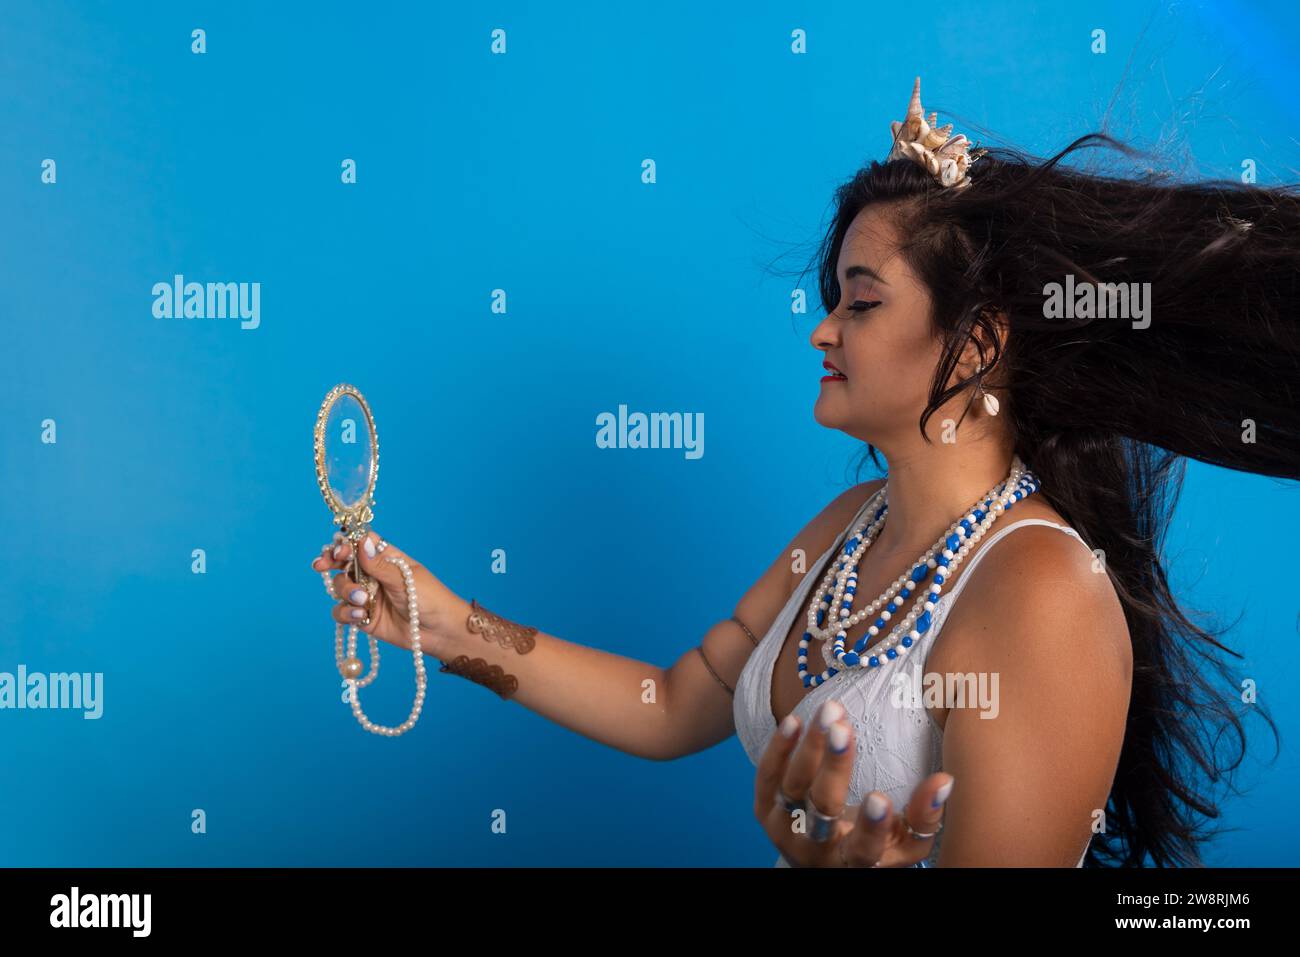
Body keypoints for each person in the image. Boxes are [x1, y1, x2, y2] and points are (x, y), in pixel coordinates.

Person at [311, 77, 1297, 867]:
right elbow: (671, 702)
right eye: (830, 298)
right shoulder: (846, 528)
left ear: (979, 342)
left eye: (860, 302)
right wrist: (440, 622)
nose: (822, 329)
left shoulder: (1038, 592)